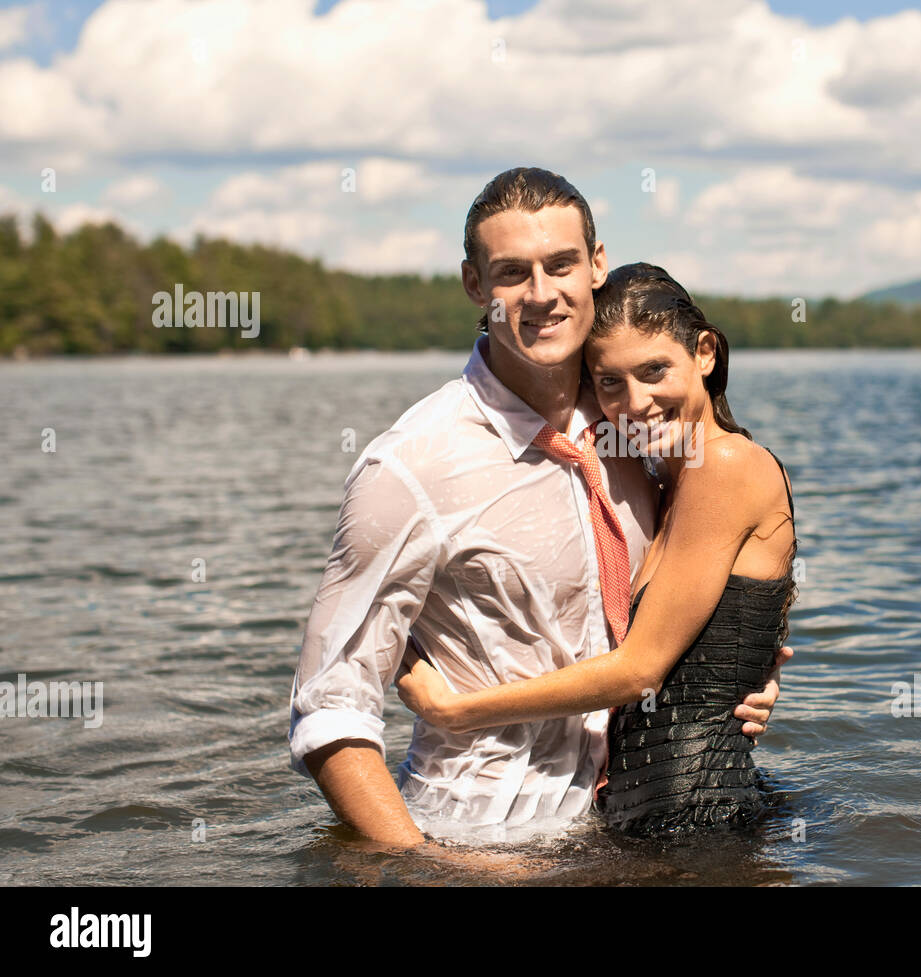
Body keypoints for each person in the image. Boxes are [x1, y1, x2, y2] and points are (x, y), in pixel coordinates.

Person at [287, 167, 790, 847]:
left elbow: (697, 596)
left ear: (596, 265)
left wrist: (741, 671)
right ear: (474, 284)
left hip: (620, 830)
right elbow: (328, 708)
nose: (542, 293)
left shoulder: (629, 421)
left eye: (560, 264)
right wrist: (431, 864)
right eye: (511, 272)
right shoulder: (410, 465)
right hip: (481, 835)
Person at [396, 262, 798, 838]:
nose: (635, 403)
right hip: (653, 815)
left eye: (655, 369)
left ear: (704, 353)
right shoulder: (665, 480)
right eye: (610, 382)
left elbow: (639, 670)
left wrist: (454, 710)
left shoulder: (727, 466)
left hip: (696, 822)